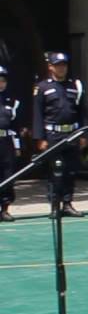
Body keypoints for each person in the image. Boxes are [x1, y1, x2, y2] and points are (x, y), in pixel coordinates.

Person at [32, 51, 88, 218]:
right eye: (58, 66)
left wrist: (84, 134)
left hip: (71, 133)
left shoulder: (75, 85)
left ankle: (68, 203)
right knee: (54, 170)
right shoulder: (43, 87)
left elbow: (82, 112)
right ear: (51, 67)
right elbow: (38, 114)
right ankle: (55, 205)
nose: (61, 68)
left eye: (64, 65)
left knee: (70, 171)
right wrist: (40, 138)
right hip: (52, 135)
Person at [0, 66, 19, 222]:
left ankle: (5, 208)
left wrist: (17, 146)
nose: (0, 83)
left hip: (6, 142)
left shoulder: (11, 101)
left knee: (8, 175)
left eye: (3, 80)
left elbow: (15, 126)